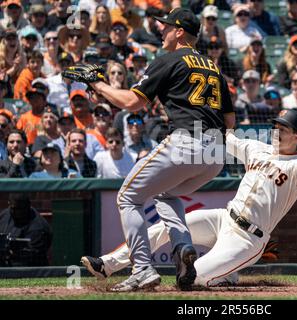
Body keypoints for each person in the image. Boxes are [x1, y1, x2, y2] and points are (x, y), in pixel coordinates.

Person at [63, 8, 235, 292]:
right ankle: (182, 250)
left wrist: (98, 84)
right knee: (165, 193)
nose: (161, 31)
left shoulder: (168, 59)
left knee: (128, 197)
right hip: (217, 152)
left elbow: (131, 102)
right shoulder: (213, 66)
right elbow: (230, 121)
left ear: (180, 32)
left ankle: (142, 269)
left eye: (167, 27)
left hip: (186, 142)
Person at [82, 110, 297, 286]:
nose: (276, 132)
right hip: (224, 218)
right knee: (163, 228)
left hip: (248, 238)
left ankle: (227, 275)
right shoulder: (256, 148)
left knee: (193, 279)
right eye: (275, 127)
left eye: (283, 129)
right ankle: (107, 264)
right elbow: (225, 137)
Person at [0, 193, 52, 266]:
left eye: (19, 209)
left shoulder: (38, 228)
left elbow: (31, 257)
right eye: (12, 208)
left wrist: (10, 253)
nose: (15, 212)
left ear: (28, 206)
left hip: (29, 271)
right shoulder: (5, 215)